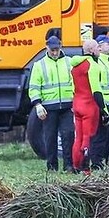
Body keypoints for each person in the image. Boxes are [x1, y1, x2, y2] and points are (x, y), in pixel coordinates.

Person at [28, 35, 75, 171]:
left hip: (67, 106)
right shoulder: (39, 65)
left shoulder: (69, 62)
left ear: (61, 47)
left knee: (68, 135)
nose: (54, 53)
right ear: (46, 48)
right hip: (48, 108)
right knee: (50, 137)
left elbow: (75, 83)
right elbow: (34, 87)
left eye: (57, 50)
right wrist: (37, 104)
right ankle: (52, 166)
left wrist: (76, 100)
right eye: (52, 50)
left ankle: (68, 165)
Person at [70, 38, 107, 174]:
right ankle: (86, 168)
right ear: (91, 50)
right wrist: (103, 110)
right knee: (88, 137)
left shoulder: (74, 65)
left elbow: (73, 87)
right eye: (97, 47)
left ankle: (76, 165)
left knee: (78, 138)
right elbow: (96, 90)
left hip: (77, 104)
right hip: (89, 106)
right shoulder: (92, 65)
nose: (99, 49)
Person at [88, 34, 109, 169]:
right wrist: (102, 108)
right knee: (99, 136)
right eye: (108, 44)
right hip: (102, 106)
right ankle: (96, 163)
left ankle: (108, 162)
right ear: (100, 47)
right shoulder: (97, 64)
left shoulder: (107, 63)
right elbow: (97, 88)